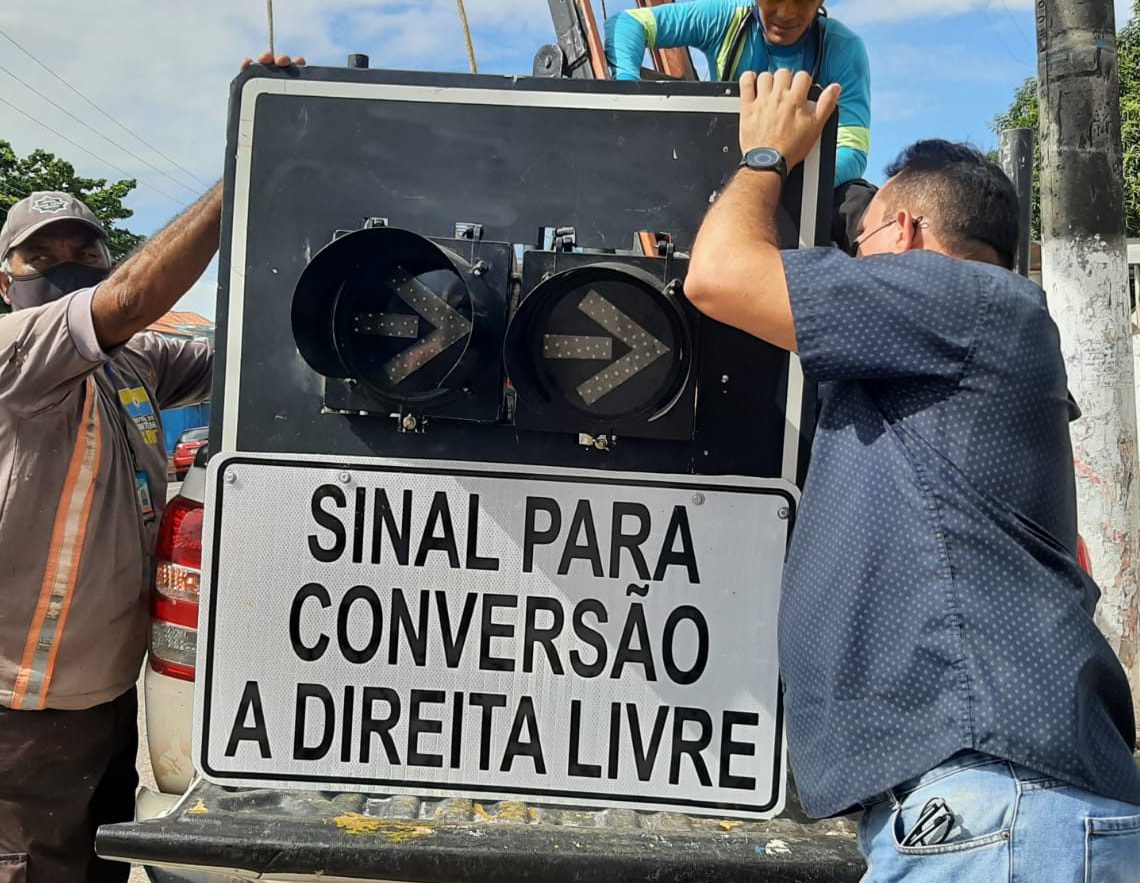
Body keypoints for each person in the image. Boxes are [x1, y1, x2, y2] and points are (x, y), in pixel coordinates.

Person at [684, 69, 1140, 879]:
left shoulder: (964, 297)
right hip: (995, 810)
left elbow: (718, 276)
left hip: (993, 806)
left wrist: (766, 155)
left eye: (857, 242)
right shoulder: (969, 353)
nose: (845, 260)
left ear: (908, 232)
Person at [0, 51, 302, 883]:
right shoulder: (14, 353)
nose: (66, 264)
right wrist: (247, 157)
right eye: (42, 256)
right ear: (5, 281)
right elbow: (131, 298)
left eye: (83, 248)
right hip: (21, 709)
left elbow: (244, 350)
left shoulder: (130, 366)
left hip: (105, 699)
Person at [604, 0, 871, 187]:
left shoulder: (843, 48)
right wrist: (629, 91)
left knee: (856, 197)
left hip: (796, 186)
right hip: (722, 180)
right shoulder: (725, 19)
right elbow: (630, 23)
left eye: (801, 0)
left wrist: (783, 180)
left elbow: (852, 149)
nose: (786, 12)